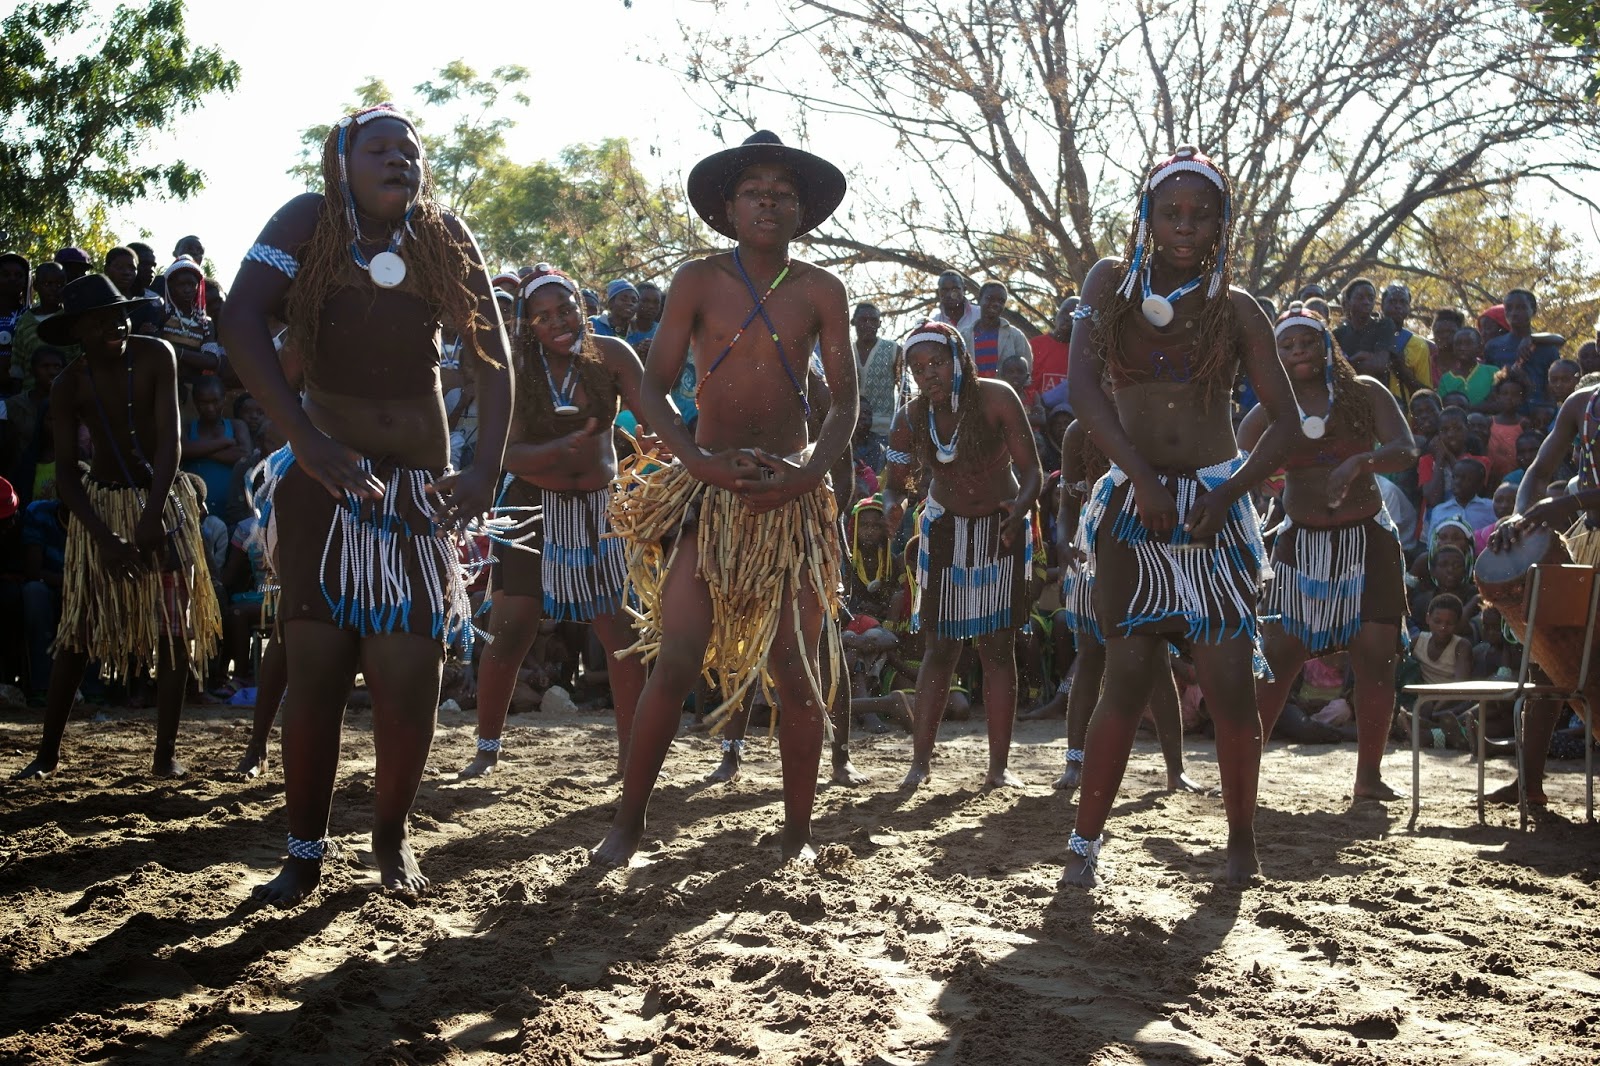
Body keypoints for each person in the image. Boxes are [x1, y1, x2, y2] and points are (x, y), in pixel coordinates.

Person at [222, 103, 513, 904]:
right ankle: (303, 852)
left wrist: (484, 466)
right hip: (324, 485)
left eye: (411, 152)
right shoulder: (307, 222)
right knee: (313, 669)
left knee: (409, 672)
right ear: (341, 161)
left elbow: (493, 355)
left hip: (417, 494)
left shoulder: (441, 236)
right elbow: (238, 318)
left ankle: (389, 839)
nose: (399, 162)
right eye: (379, 149)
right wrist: (304, 439)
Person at [593, 131, 856, 866]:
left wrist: (806, 476)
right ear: (728, 208)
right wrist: (696, 463)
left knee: (797, 676)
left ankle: (798, 835)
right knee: (675, 661)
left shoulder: (821, 291)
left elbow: (843, 407)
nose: (769, 203)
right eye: (754, 192)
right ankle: (629, 824)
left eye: (783, 194)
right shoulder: (697, 281)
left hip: (789, 501)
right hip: (709, 493)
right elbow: (651, 383)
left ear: (802, 212)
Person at [1058, 146, 1297, 888]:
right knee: (1125, 674)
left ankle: (1241, 843)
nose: (1185, 225)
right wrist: (1140, 479)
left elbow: (1285, 423)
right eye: (1172, 212)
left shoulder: (1238, 307)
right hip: (1135, 509)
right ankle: (1084, 843)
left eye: (1202, 214)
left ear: (1223, 222)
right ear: (1148, 217)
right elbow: (1081, 389)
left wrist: (1228, 496)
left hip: (1215, 514)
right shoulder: (1110, 284)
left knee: (1229, 686)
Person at [13, 274, 222, 780]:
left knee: (174, 631)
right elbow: (65, 471)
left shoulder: (157, 357)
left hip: (162, 503)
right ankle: (46, 754)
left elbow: (170, 442)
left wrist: (152, 515)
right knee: (76, 634)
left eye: (120, 313)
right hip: (100, 514)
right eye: (102, 319)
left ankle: (165, 754)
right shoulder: (69, 384)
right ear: (79, 329)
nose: (117, 324)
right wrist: (103, 538)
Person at [460, 264, 650, 780]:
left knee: (621, 634)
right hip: (532, 508)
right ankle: (487, 746)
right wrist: (558, 449)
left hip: (600, 512)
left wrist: (665, 447)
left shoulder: (612, 355)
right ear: (528, 324)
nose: (557, 321)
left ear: (581, 308)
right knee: (510, 629)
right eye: (542, 316)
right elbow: (507, 454)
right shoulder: (515, 369)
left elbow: (654, 409)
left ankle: (632, 754)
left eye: (565, 308)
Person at [1242, 306, 1417, 801]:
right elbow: (1233, 458)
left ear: (1326, 346)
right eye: (1287, 345)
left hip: (1368, 539)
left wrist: (1361, 461)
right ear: (1276, 354)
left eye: (1307, 342)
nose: (1298, 352)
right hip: (1302, 541)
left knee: (1377, 656)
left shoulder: (1364, 391)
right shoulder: (1273, 406)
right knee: (1279, 654)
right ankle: (1244, 771)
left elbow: (1406, 450)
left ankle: (1368, 778)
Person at [880, 321, 1041, 787]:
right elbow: (897, 487)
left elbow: (1032, 473)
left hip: (1002, 530)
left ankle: (998, 769)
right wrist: (894, 507)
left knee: (997, 648)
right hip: (946, 531)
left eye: (936, 363)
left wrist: (1022, 510)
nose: (927, 374)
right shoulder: (909, 418)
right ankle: (920, 764)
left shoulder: (996, 398)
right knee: (941, 648)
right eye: (917, 368)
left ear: (959, 358)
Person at [1046, 418, 1202, 794]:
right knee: (1090, 655)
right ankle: (1075, 761)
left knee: (1157, 659)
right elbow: (1068, 505)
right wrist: (1065, 540)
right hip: (1094, 545)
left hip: (1151, 543)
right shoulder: (1080, 431)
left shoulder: (1158, 413)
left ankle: (1175, 770)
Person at [181, 376, 251, 518]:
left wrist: (198, 451)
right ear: (195, 402)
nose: (210, 408)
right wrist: (224, 443)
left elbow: (244, 455)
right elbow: (182, 450)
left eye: (215, 401)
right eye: (204, 403)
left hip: (232, 510)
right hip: (195, 511)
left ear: (224, 399)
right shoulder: (187, 427)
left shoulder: (237, 426)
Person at [1485, 289, 1561, 404]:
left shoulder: (1547, 347)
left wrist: (1548, 409)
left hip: (1539, 412)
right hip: (1505, 414)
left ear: (1533, 310)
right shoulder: (1493, 346)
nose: (1514, 313)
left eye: (1521, 307)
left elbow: (1551, 387)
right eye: (1509, 308)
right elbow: (1491, 385)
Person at [851, 302, 901, 448]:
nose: (868, 324)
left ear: (879, 324)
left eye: (873, 320)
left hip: (883, 431)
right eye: (863, 320)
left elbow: (904, 391)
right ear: (854, 322)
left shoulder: (893, 350)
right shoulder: (846, 352)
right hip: (851, 431)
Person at [11, 261, 65, 391]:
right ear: (36, 286)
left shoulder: (69, 319)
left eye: (59, 284)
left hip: (65, 394)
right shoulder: (25, 321)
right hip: (31, 396)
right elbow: (17, 364)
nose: (54, 289)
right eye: (48, 284)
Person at [961, 281, 1031, 379]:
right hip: (972, 394)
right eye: (990, 299)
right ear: (979, 299)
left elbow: (1026, 375)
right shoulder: (964, 336)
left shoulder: (1016, 336)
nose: (995, 304)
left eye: (1001, 301)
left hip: (1004, 394)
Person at [1484, 368, 1530, 483]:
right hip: (1492, 476)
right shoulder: (1490, 421)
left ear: (1522, 398)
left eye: (1515, 395)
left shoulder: (1524, 423)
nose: (1509, 398)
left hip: (1516, 475)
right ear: (1497, 396)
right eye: (1505, 394)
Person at [1029, 296, 1077, 402]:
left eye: (1074, 314)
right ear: (1056, 314)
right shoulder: (1034, 345)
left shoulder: (1083, 352)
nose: (1067, 318)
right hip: (1038, 411)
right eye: (1064, 312)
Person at [0, 252, 28, 390]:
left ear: (25, 282)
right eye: (5, 274)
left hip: (19, 396)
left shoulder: (29, 316)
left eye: (18, 275)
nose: (12, 279)